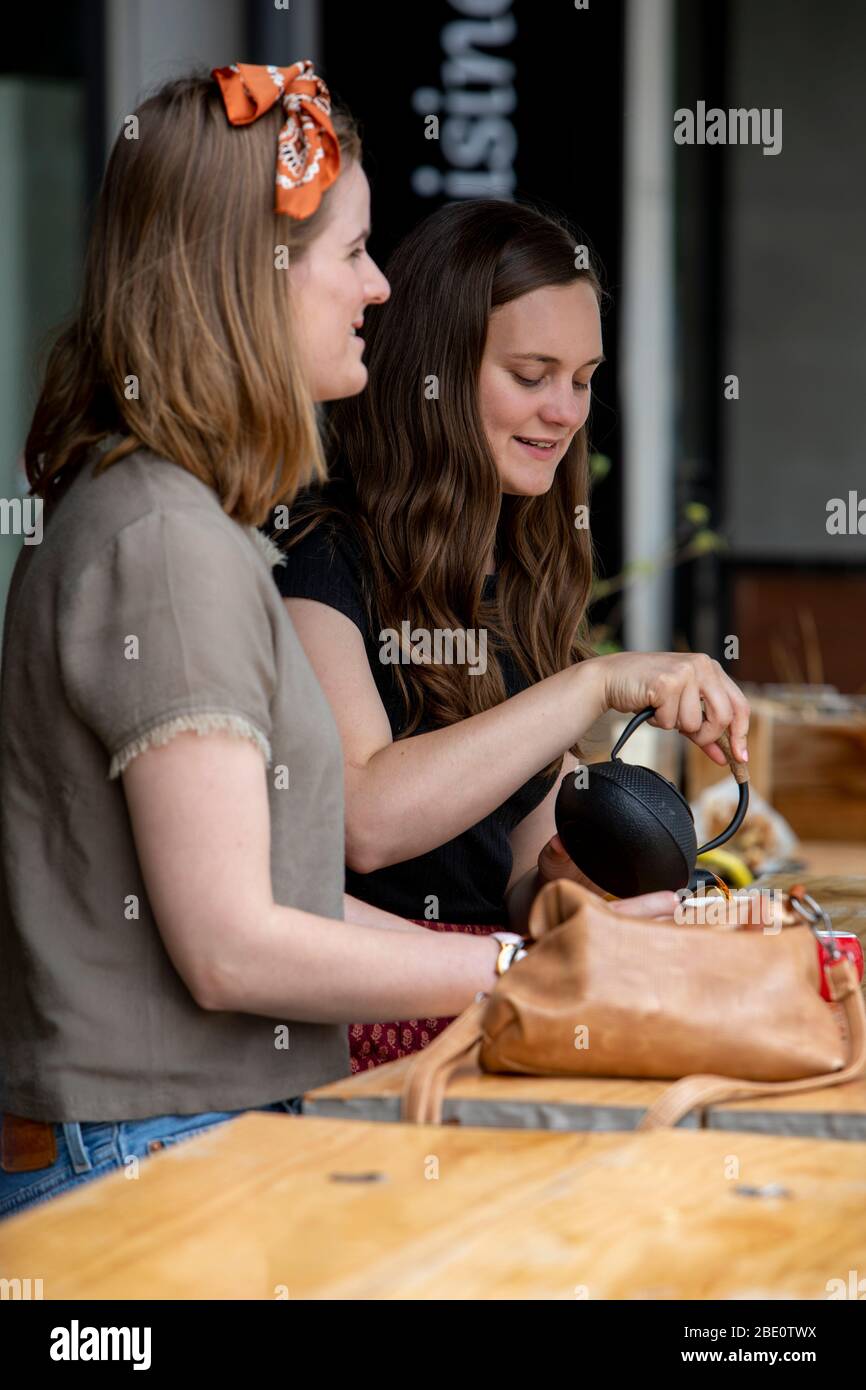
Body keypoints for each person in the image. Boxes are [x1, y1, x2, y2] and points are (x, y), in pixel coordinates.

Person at [0, 62, 509, 1221]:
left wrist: (526, 953)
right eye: (353, 253)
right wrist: (523, 973)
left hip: (158, 1141)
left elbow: (279, 898)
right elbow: (231, 945)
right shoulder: (165, 543)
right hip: (145, 1158)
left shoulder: (167, 518)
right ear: (252, 278)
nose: (380, 288)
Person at [271, 198, 751, 1071]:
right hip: (371, 1042)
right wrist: (593, 684)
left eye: (583, 377)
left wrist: (600, 894)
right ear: (439, 371)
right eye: (532, 375)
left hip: (496, 1016)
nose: (566, 412)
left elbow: (525, 866)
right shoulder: (320, 552)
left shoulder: (520, 565)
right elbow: (363, 818)